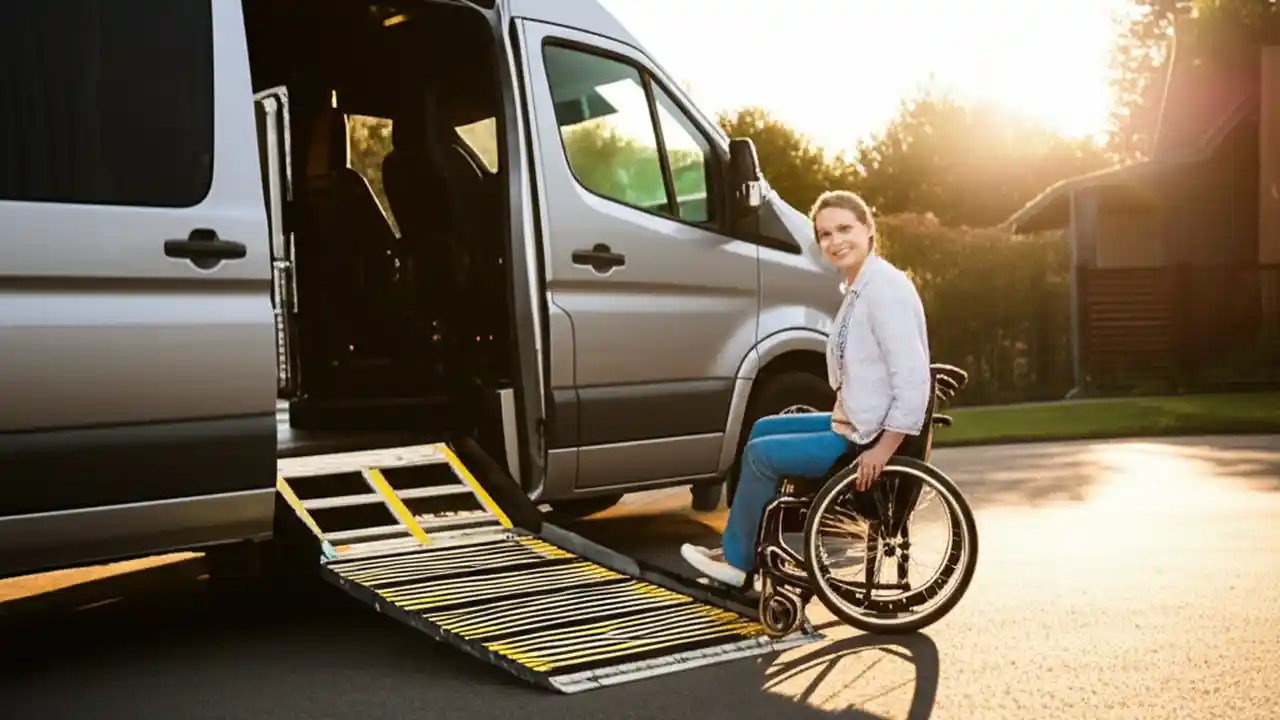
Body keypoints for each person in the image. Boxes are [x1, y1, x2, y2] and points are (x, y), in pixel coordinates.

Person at [680, 189, 933, 588]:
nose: (836, 241)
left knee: (763, 455)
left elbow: (913, 377)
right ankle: (739, 544)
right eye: (826, 234)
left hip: (868, 435)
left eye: (845, 229)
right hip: (857, 419)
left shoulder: (883, 290)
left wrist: (883, 450)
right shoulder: (862, 285)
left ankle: (736, 562)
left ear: (869, 230)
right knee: (764, 427)